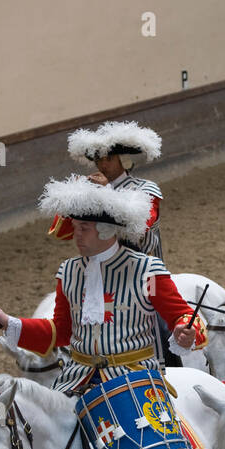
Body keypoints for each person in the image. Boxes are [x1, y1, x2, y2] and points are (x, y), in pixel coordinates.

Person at [0, 176, 207, 449]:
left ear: (105, 230)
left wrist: (188, 330)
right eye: (75, 227)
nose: (75, 235)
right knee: (38, 438)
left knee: (161, 447)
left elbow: (184, 316)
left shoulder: (146, 269)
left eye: (82, 229)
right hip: (79, 374)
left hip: (133, 374)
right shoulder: (69, 272)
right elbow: (58, 334)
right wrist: (10, 323)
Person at [64, 121, 176, 362]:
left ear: (123, 160)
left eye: (108, 159)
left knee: (159, 322)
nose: (102, 165)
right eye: (98, 160)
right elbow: (63, 230)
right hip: (100, 272)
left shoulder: (147, 190)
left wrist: (107, 193)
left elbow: (138, 225)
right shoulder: (91, 191)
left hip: (146, 274)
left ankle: (174, 365)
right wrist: (73, 199)